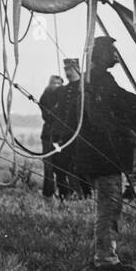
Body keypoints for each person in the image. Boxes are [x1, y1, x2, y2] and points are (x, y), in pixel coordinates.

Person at [72, 37, 136, 271]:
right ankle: (105, 258)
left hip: (97, 155)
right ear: (100, 54)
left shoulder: (95, 79)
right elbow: (121, 108)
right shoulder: (98, 81)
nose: (116, 55)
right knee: (110, 205)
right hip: (102, 156)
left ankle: (105, 254)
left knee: (109, 204)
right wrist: (135, 129)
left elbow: (126, 103)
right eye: (111, 51)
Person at [40, 60, 85, 200]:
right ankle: (65, 195)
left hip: (79, 134)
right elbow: (45, 100)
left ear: (77, 69)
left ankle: (84, 195)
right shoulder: (63, 90)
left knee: (78, 167)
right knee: (60, 166)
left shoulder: (84, 87)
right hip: (63, 135)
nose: (67, 72)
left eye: (70, 69)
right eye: (65, 69)